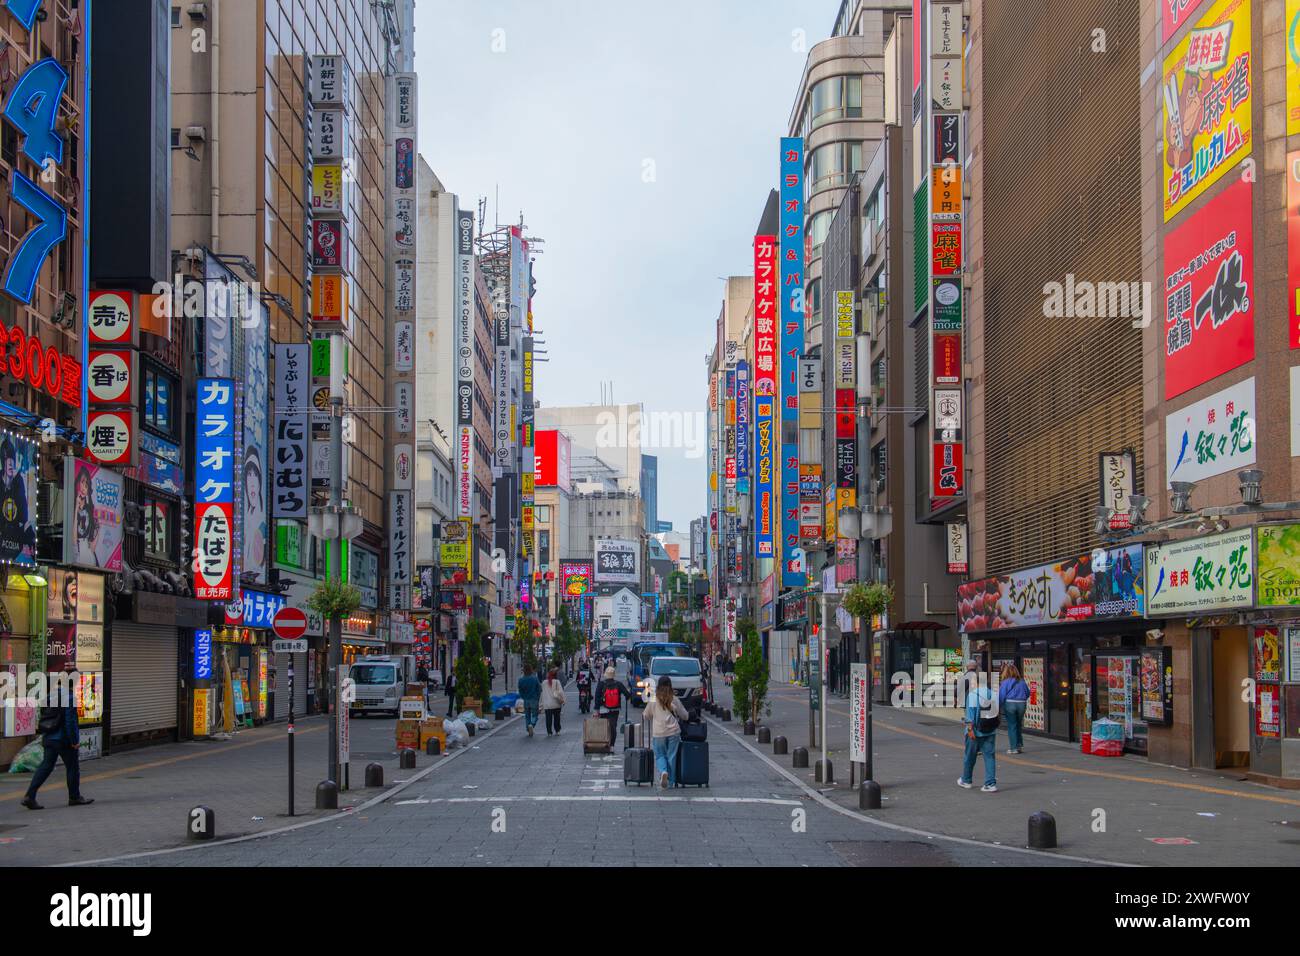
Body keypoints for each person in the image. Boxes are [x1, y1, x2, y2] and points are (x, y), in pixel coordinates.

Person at [22, 665, 93, 810]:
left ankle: (30, 795)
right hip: (63, 739)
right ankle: (74, 797)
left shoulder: (51, 694)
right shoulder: (70, 697)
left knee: (46, 766)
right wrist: (74, 741)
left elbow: (44, 713)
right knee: (72, 767)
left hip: (49, 737)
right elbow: (70, 721)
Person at [645, 675, 690, 789]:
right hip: (674, 732)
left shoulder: (654, 699)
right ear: (670, 686)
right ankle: (670, 781)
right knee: (672, 756)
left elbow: (646, 715)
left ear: (658, 686)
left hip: (659, 732)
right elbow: (685, 716)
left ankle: (663, 771)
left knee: (660, 755)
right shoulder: (674, 698)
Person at [959, 661, 998, 793]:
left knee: (969, 756)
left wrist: (969, 729)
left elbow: (969, 715)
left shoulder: (973, 695)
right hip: (990, 730)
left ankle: (966, 780)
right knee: (989, 757)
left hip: (975, 731)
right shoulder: (993, 693)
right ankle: (990, 783)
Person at [593, 666, 631, 748]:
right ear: (614, 675)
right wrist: (627, 698)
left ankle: (604, 743)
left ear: (605, 674)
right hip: (615, 709)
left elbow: (596, 697)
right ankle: (612, 746)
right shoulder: (618, 684)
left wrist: (596, 710)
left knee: (604, 726)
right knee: (613, 727)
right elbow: (627, 694)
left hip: (603, 709)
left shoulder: (601, 684)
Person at [999, 663, 1030, 754]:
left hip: (1010, 704)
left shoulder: (1005, 682)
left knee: (1012, 725)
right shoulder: (1022, 681)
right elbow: (1028, 693)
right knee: (1018, 724)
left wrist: (998, 706)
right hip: (1022, 704)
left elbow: (1001, 696)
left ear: (1006, 672)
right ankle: (1019, 745)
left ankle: (1013, 748)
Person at [540, 668, 566, 736]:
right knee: (557, 718)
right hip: (556, 703)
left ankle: (549, 732)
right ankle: (557, 730)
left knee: (548, 718)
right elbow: (560, 692)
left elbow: (542, 693)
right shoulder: (557, 682)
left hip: (547, 704)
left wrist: (541, 703)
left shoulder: (544, 683)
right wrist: (563, 700)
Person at [518, 665, 542, 737]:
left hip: (526, 700)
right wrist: (538, 697)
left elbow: (520, 690)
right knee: (535, 714)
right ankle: (532, 724)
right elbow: (539, 688)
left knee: (527, 715)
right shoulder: (534, 678)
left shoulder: (521, 680)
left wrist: (523, 697)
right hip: (534, 699)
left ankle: (528, 727)